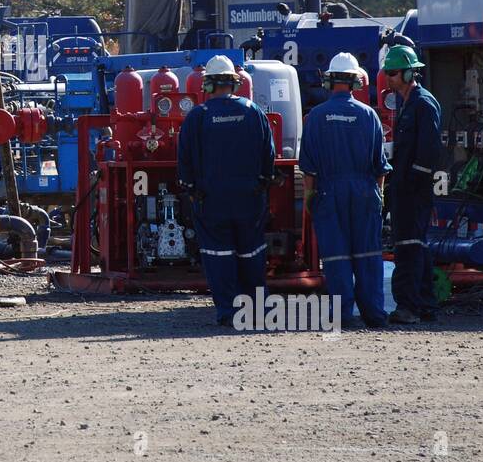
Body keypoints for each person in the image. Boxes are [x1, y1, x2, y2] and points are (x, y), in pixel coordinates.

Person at [177, 55, 276, 327]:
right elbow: (269, 155)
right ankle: (259, 311)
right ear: (235, 83)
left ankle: (229, 312)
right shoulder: (253, 111)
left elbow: (183, 158)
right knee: (252, 253)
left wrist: (191, 190)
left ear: (207, 85)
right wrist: (262, 184)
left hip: (212, 201)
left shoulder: (198, 116)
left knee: (218, 256)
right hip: (250, 200)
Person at [298, 53, 390, 329]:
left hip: (328, 192)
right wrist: (379, 197)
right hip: (364, 191)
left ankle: (342, 315)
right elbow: (380, 168)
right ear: (356, 81)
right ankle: (374, 314)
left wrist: (310, 200)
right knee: (368, 254)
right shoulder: (369, 115)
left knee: (336, 256)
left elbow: (309, 171)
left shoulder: (316, 117)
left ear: (329, 80)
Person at [381, 44, 444, 324]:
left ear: (409, 73)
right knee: (416, 246)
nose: (389, 79)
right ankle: (426, 304)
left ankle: (409, 307)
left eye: (393, 73)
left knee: (408, 247)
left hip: (413, 191)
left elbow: (429, 150)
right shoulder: (409, 103)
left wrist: (412, 183)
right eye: (387, 73)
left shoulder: (422, 103)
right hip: (405, 187)